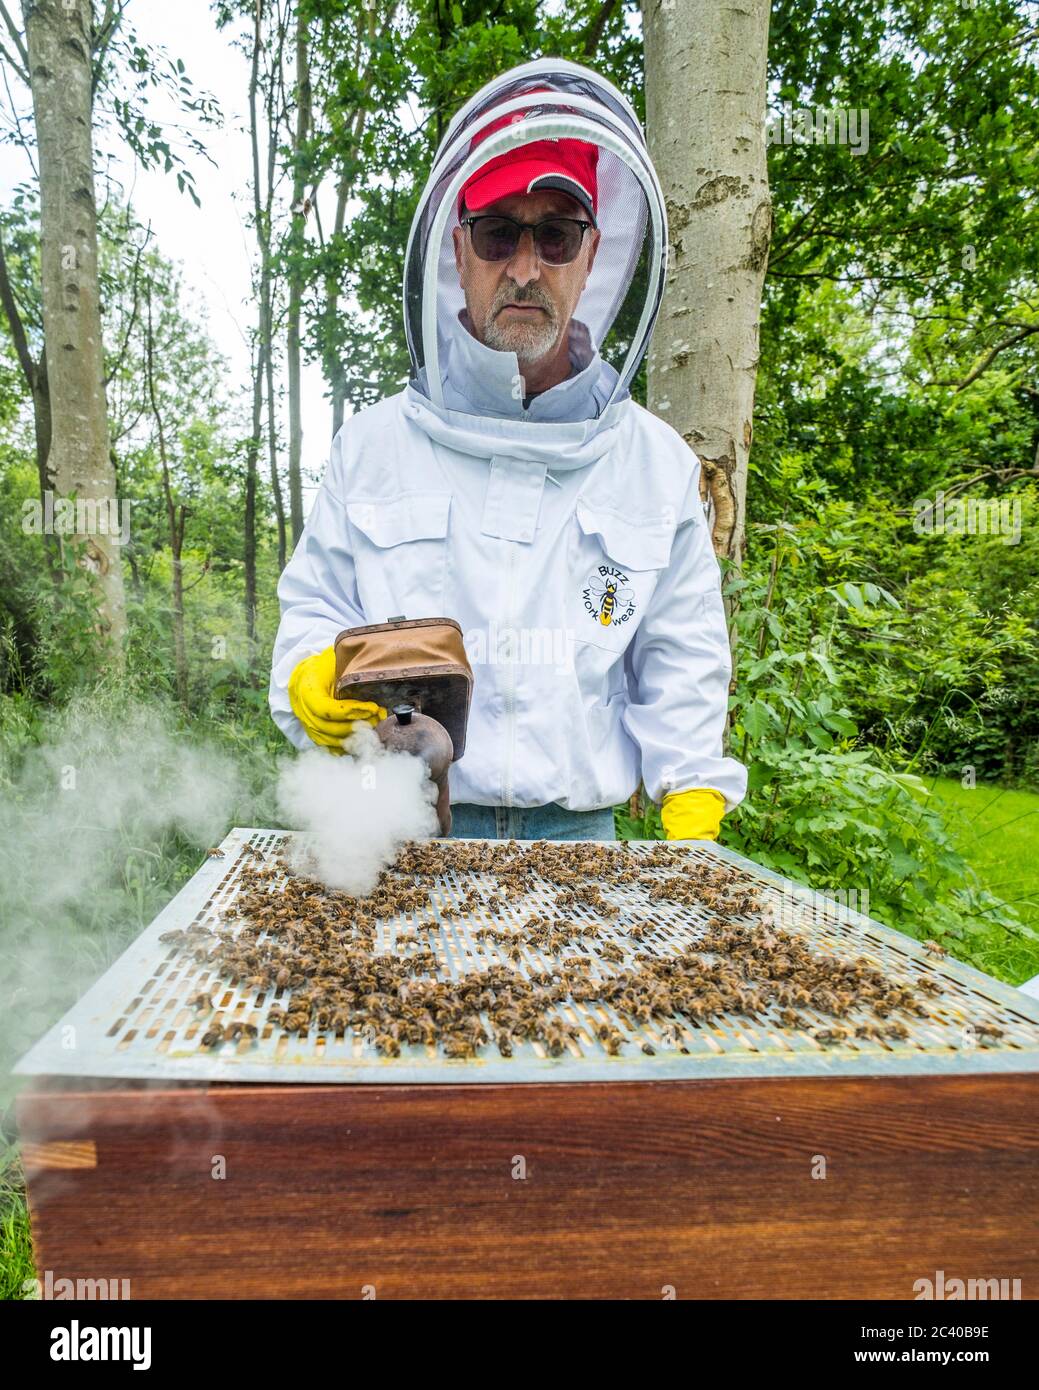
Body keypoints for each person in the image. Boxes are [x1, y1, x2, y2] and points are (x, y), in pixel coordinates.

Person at [269, 57, 747, 842]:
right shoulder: (373, 446)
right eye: (498, 233)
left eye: (556, 235)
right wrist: (309, 673)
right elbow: (317, 607)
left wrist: (691, 794)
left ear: (591, 257)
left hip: (579, 839)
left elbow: (680, 655)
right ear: (457, 252)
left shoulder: (654, 464)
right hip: (398, 824)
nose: (525, 269)